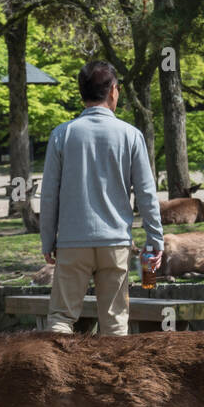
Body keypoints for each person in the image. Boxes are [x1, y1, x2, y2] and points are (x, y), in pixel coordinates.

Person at [40, 61, 163, 335]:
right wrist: (155, 240)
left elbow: (49, 194)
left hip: (72, 242)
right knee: (115, 322)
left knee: (60, 318)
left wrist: (47, 240)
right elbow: (146, 194)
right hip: (116, 242)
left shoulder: (62, 134)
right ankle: (114, 378)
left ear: (81, 93)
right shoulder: (131, 135)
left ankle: (54, 375)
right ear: (114, 92)